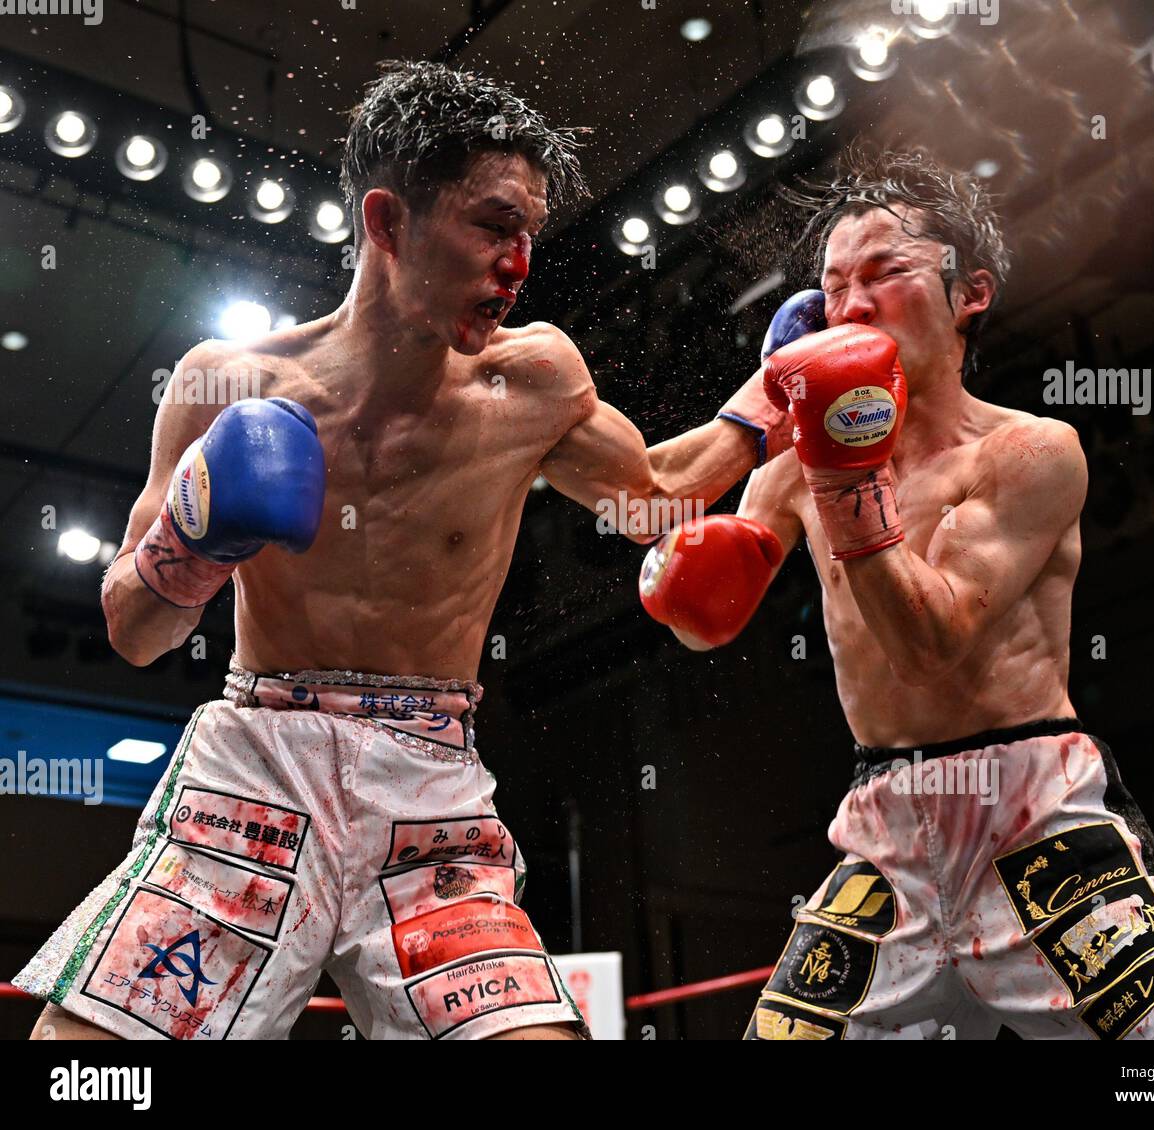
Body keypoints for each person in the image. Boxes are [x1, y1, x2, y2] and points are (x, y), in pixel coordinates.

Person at [16, 61, 785, 1041]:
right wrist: (193, 538)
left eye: (529, 236)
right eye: (492, 225)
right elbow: (133, 630)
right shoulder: (232, 381)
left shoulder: (534, 379)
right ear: (388, 222)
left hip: (431, 785)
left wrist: (773, 399)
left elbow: (653, 503)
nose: (519, 264)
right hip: (259, 764)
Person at [638, 149, 1154, 1041]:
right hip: (884, 833)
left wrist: (843, 474)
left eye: (885, 274)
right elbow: (703, 615)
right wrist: (745, 452)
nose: (852, 306)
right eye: (832, 288)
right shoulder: (791, 468)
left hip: (1032, 810)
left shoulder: (1031, 453)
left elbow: (932, 640)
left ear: (969, 293)